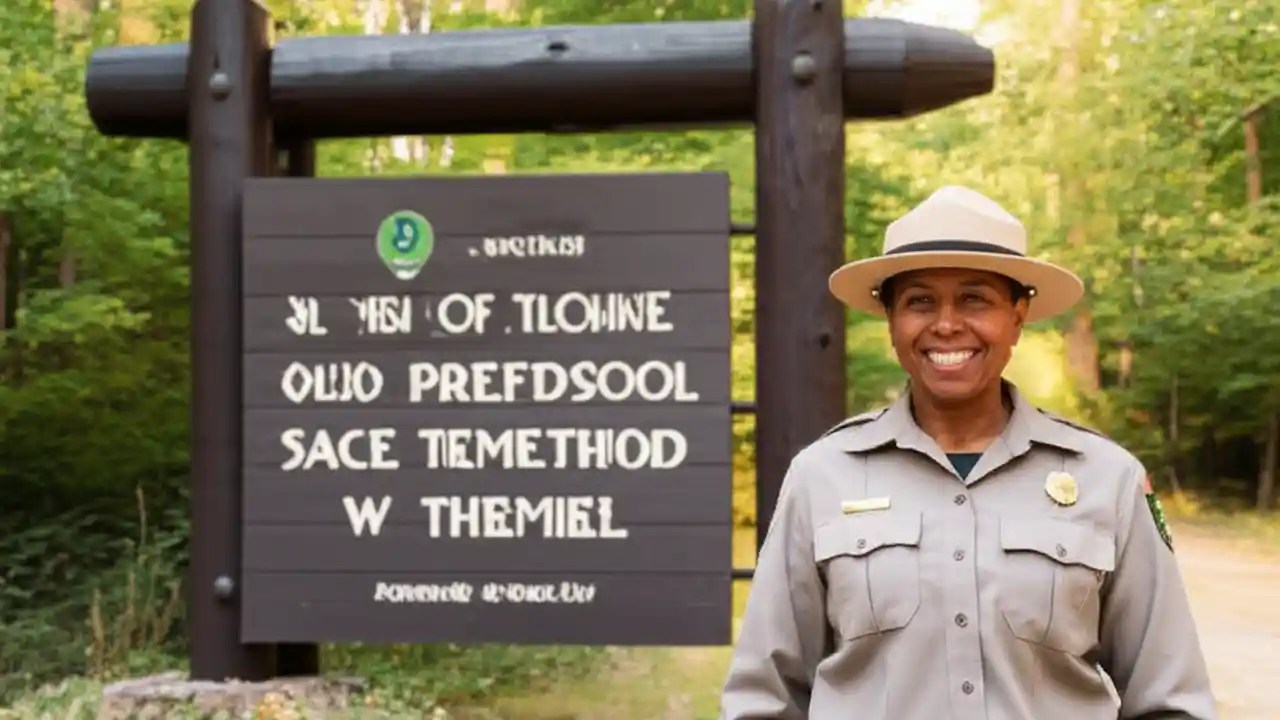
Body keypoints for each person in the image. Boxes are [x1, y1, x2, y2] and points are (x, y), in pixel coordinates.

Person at [719, 186, 1216, 719]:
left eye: (975, 298)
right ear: (891, 321)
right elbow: (763, 700)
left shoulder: (1106, 478)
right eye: (919, 301)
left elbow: (1170, 700)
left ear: (1017, 316)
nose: (947, 324)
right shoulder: (823, 477)